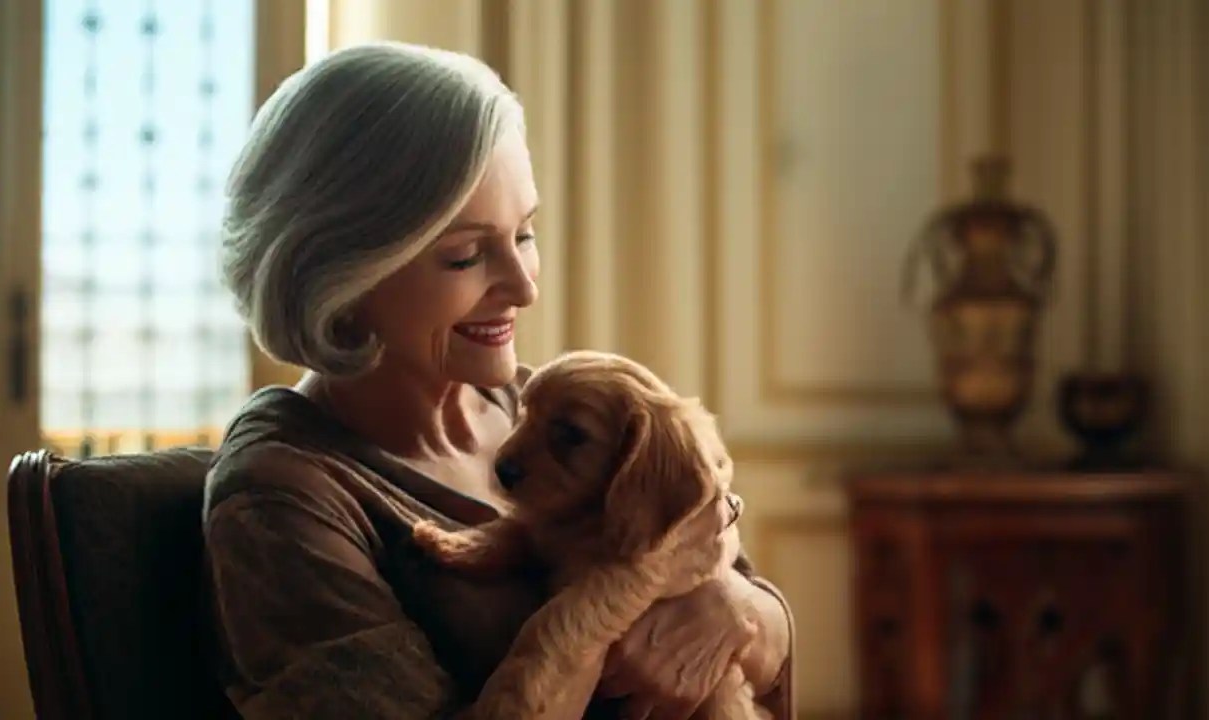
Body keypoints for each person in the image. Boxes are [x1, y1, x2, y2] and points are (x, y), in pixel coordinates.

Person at [203, 41, 795, 719]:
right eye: (464, 256)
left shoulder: (539, 406)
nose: (523, 287)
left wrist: (737, 610)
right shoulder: (282, 502)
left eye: (525, 235)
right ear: (339, 275)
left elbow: (755, 628)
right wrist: (632, 585)